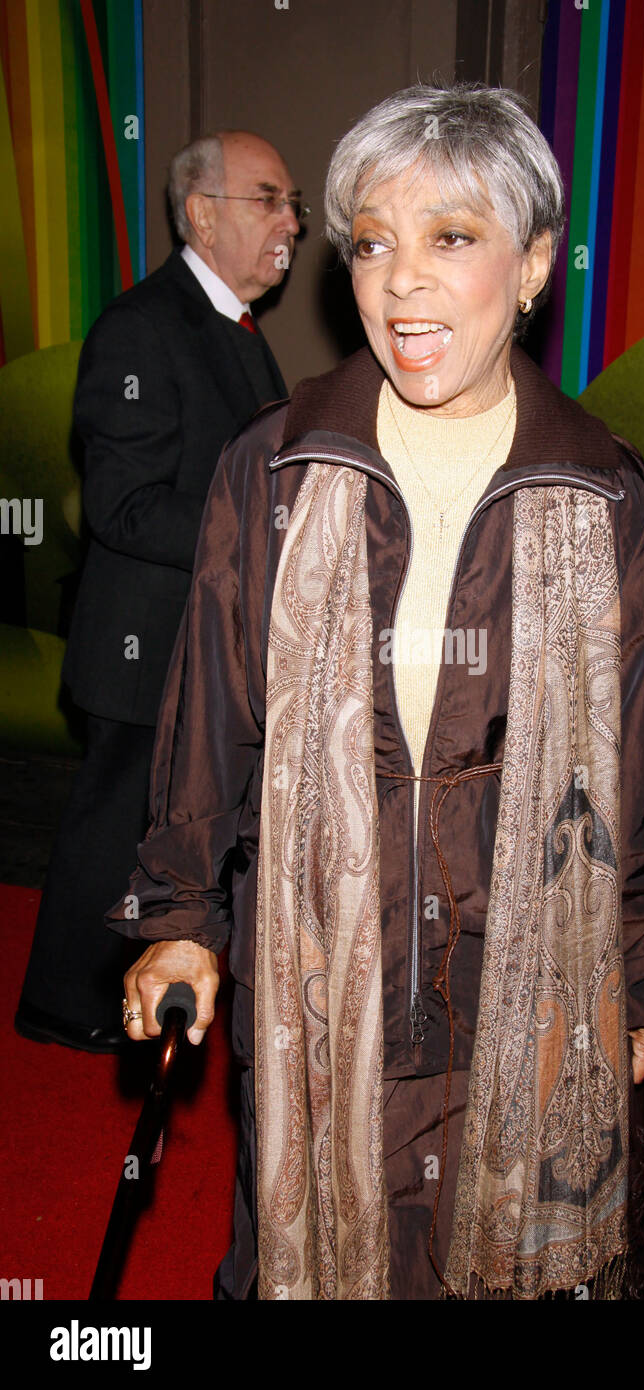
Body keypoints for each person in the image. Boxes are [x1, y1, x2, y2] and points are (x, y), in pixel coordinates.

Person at [112, 84, 644, 1300]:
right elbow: (208, 724)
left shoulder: (603, 492)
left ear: (534, 262)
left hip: (521, 984)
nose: (400, 284)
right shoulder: (275, 465)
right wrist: (179, 916)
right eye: (375, 242)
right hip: (321, 975)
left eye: (451, 239)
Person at [15, 130, 302, 1053]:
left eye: (292, 204)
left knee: (152, 833)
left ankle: (143, 982)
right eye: (270, 199)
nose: (292, 222)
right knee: (111, 831)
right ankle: (65, 1005)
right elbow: (125, 507)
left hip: (195, 646)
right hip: (142, 650)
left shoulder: (236, 329)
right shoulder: (143, 327)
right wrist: (269, 534)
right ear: (201, 213)